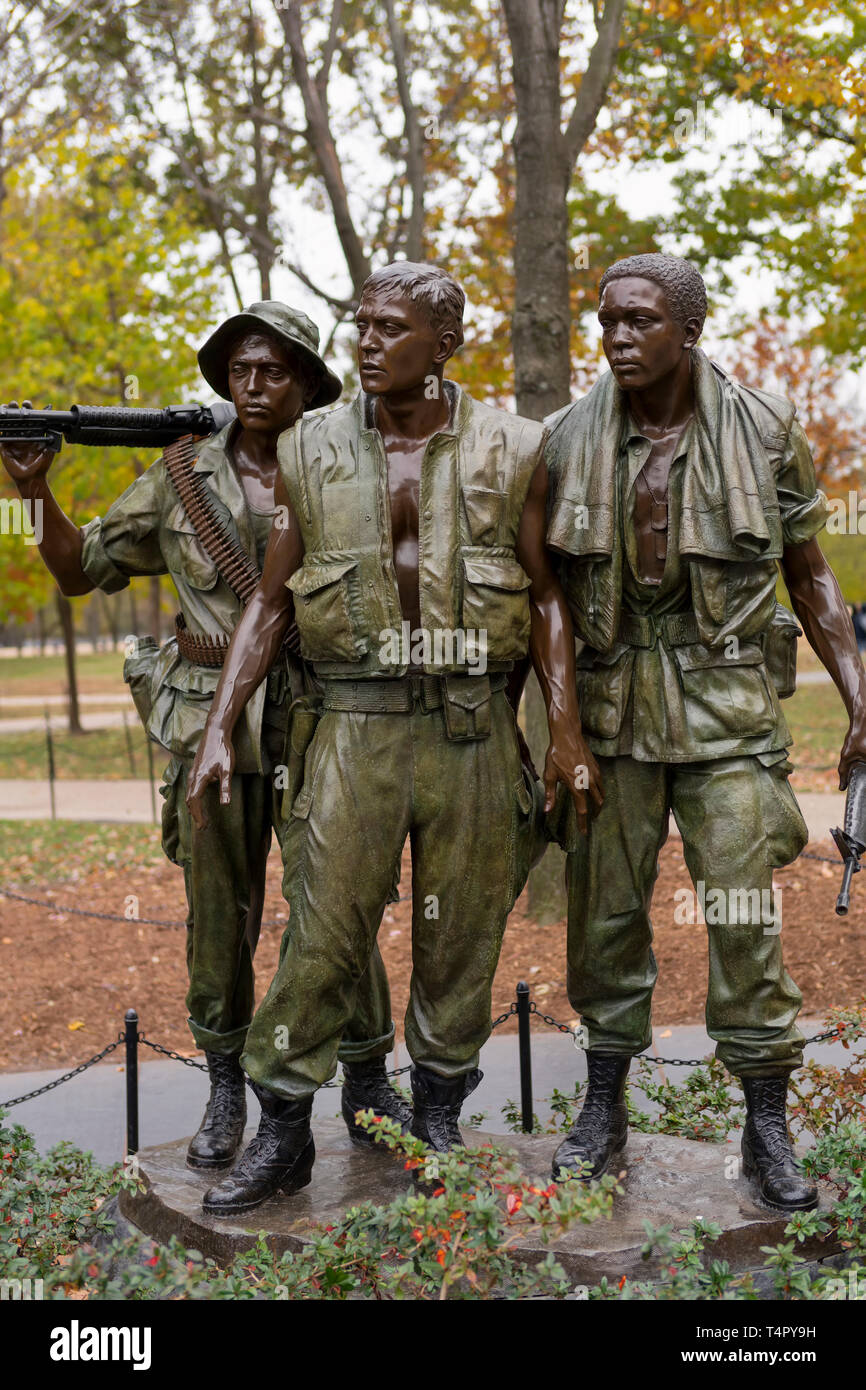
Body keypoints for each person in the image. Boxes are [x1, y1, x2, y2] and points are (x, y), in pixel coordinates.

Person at [186, 261, 601, 1216]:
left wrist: (565, 732)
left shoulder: (516, 444)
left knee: (460, 939)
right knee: (325, 933)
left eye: (389, 328)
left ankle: (440, 1116)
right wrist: (220, 727)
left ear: (443, 344)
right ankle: (284, 1124)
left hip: (471, 728)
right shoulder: (311, 444)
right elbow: (269, 599)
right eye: (360, 325)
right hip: (353, 725)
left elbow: (546, 596)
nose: (367, 343)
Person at [0, 301, 408, 1171]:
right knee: (218, 914)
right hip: (208, 723)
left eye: (271, 370)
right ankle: (225, 1083)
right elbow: (76, 572)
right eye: (238, 372)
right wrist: (31, 494)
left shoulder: (346, 463)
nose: (252, 385)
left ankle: (370, 1080)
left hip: (320, 714)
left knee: (340, 905)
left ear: (306, 383)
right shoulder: (180, 474)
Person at [544, 253, 866, 1212]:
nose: (617, 338)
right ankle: (603, 1107)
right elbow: (544, 597)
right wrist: (560, 730)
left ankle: (765, 1121)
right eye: (607, 323)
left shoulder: (763, 429)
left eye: (639, 322)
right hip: (609, 715)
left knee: (740, 914)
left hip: (726, 709)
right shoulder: (565, 436)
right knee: (604, 914)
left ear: (689, 328)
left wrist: (861, 696)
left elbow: (810, 576)